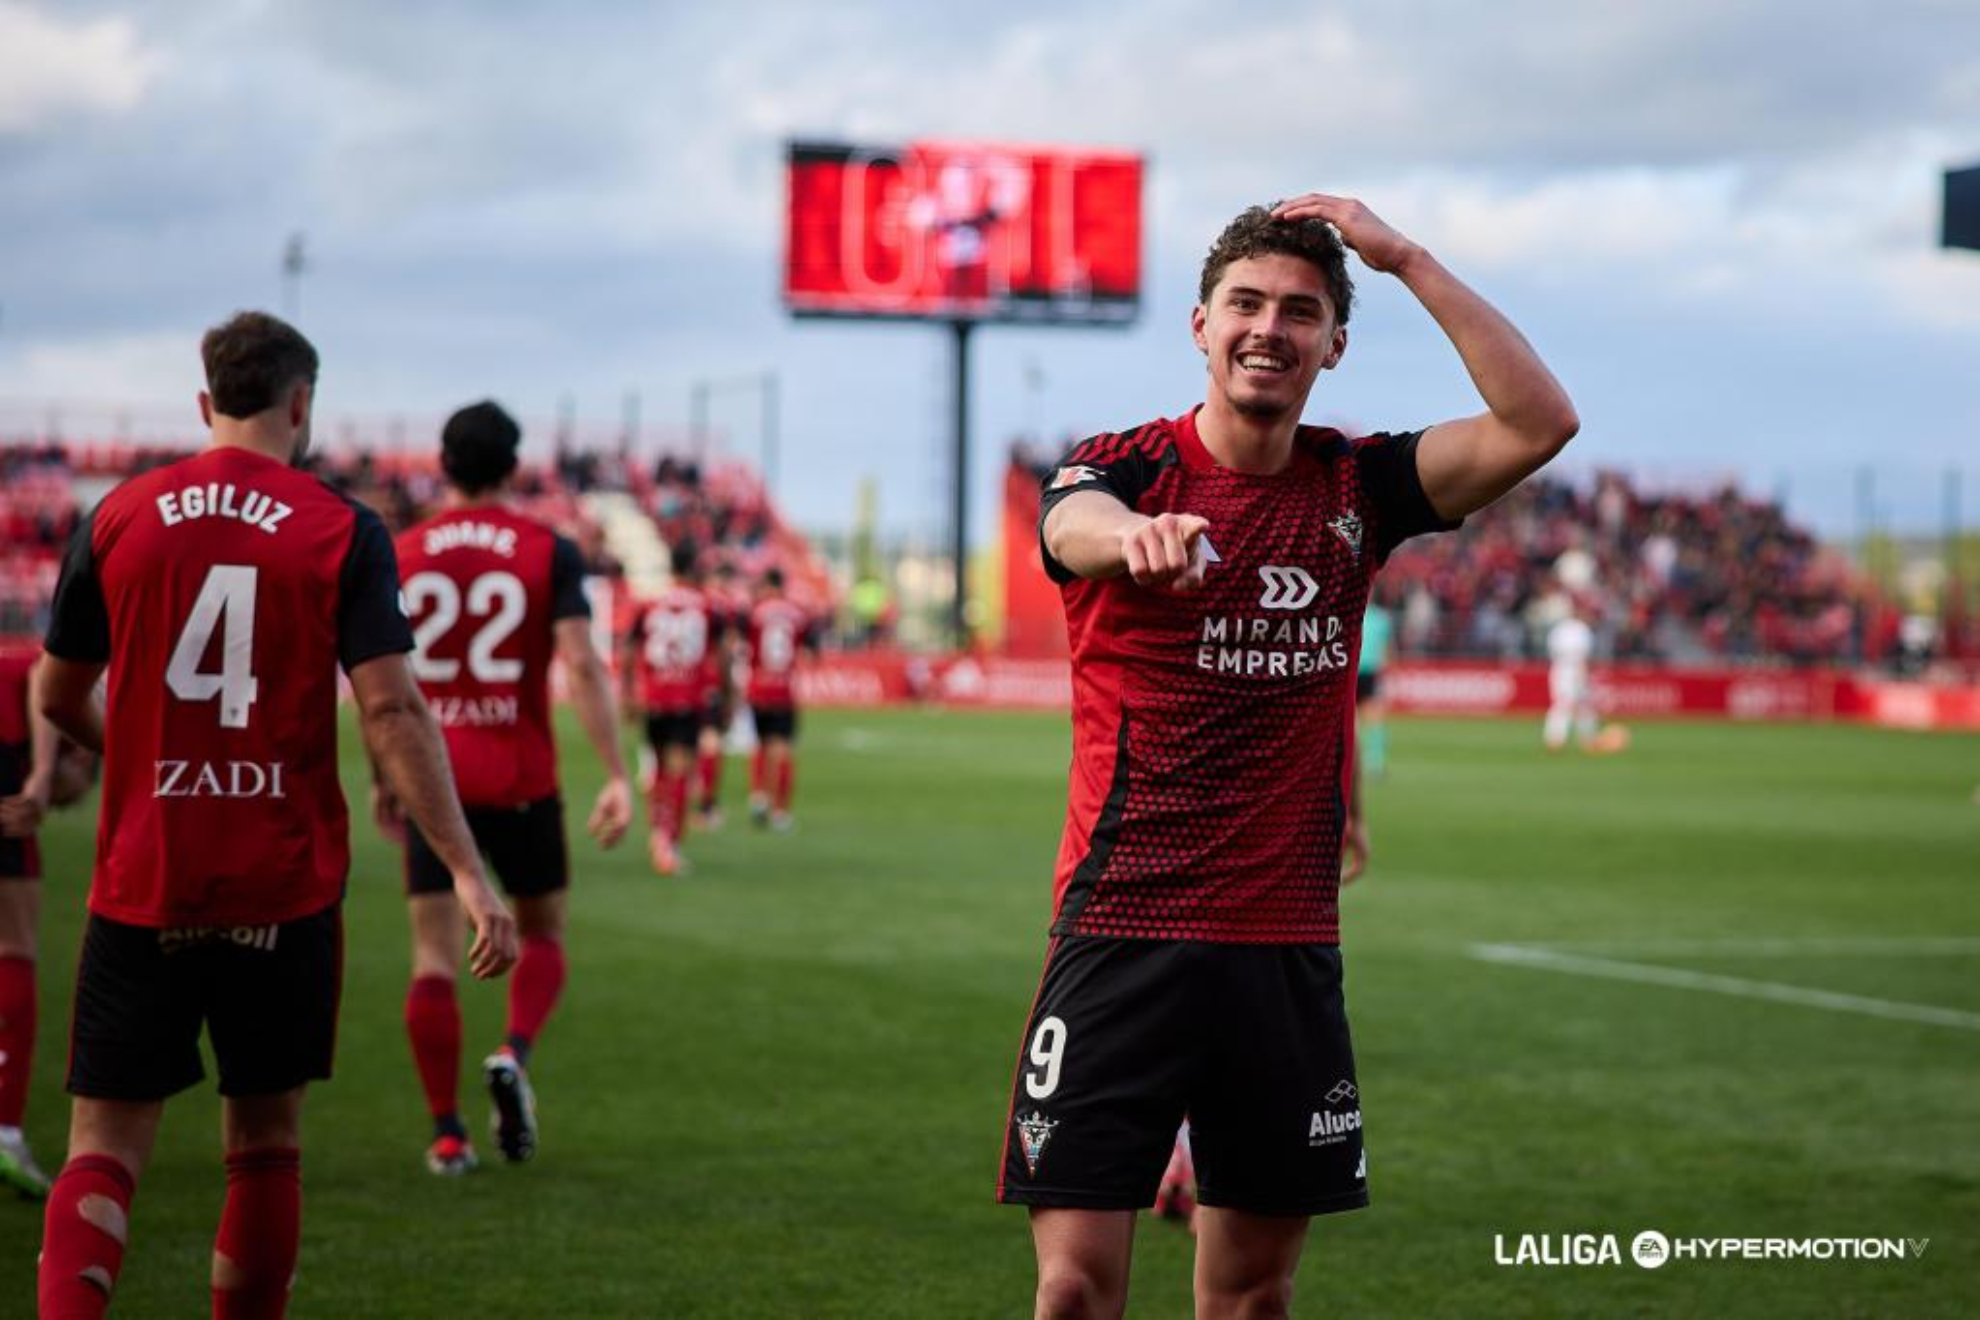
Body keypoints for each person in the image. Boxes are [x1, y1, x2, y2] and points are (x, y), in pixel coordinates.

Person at [999, 195, 1578, 1319]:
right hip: (1120, 935)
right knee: (1072, 1290)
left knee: (1255, 1296)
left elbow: (1537, 421)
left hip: (1284, 951)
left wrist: (1404, 256)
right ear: (1201, 326)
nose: (1270, 328)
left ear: (1333, 344)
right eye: (1247, 305)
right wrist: (1135, 541)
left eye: (1300, 312)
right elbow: (1067, 529)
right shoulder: (1122, 468)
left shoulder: (1356, 486)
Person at [32, 311, 518, 1319]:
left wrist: (135, 759)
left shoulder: (120, 513)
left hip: (145, 876)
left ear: (205, 404)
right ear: (303, 405)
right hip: (282, 885)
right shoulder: (341, 528)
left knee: (104, 1150)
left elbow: (53, 694)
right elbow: (389, 706)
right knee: (262, 1148)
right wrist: (468, 869)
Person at [381, 401, 633, 1175]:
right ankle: (513, 1051)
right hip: (522, 776)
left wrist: (385, 775)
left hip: (434, 779)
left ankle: (447, 1133)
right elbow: (581, 664)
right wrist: (619, 773)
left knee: (433, 957)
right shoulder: (545, 549)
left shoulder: (401, 550)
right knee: (544, 932)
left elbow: (379, 682)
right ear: (513, 467)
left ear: (443, 465)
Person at [624, 544, 715, 874]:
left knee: (659, 770)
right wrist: (728, 699)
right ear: (693, 570)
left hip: (654, 697)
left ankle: (658, 833)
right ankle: (667, 843)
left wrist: (628, 695)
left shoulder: (650, 604)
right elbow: (722, 655)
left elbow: (630, 650)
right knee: (680, 770)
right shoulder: (705, 606)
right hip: (686, 698)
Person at [743, 568, 813, 831]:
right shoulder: (797, 613)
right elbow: (807, 648)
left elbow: (745, 647)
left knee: (760, 743)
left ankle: (759, 795)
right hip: (783, 689)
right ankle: (780, 811)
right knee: (781, 748)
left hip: (758, 686)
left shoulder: (755, 610)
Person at [1356, 590, 1395, 778]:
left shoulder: (1354, 613)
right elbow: (1387, 650)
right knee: (1374, 719)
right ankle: (1375, 764)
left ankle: (1369, 763)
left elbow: (1386, 650)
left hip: (1357, 671)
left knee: (1360, 720)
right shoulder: (1381, 618)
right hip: (1368, 672)